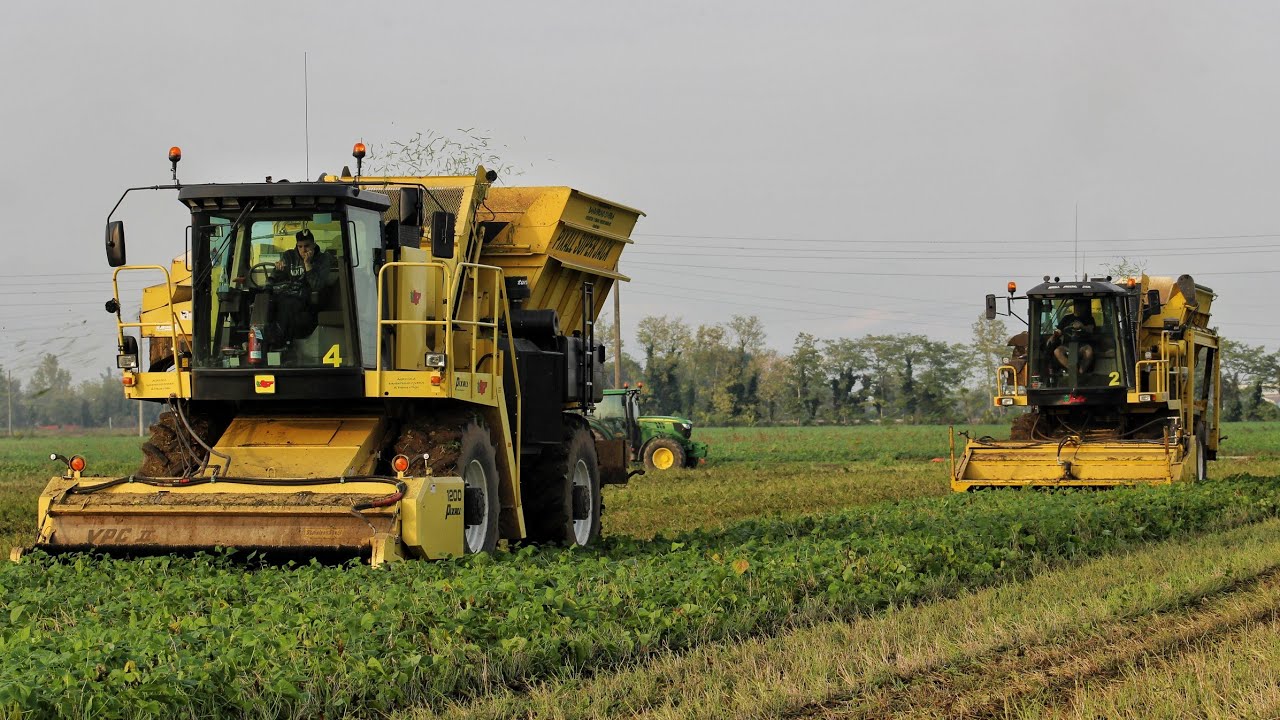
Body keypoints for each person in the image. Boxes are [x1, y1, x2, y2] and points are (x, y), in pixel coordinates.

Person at [269, 228, 334, 344]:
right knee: (261, 298)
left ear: (314, 245)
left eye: (307, 246)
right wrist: (278, 270)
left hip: (308, 300)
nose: (303, 250)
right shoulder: (288, 256)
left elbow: (317, 286)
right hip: (287, 294)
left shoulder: (323, 259)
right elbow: (275, 279)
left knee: (287, 305)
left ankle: (279, 341)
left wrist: (307, 264)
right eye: (300, 246)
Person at [1047, 298, 1096, 374]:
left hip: (1082, 345)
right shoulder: (1066, 318)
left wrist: (1082, 326)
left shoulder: (1089, 318)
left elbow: (1091, 329)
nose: (1079, 307)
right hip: (1067, 345)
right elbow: (1059, 331)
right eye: (1077, 305)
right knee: (1057, 351)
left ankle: (1081, 371)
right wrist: (1053, 336)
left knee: (1088, 351)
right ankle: (1073, 370)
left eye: (1081, 305)